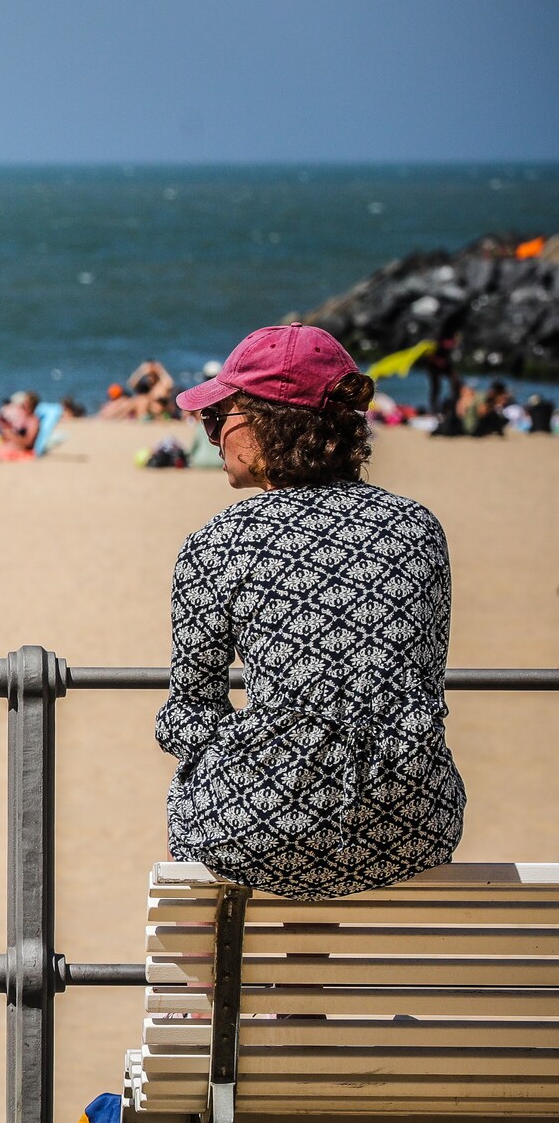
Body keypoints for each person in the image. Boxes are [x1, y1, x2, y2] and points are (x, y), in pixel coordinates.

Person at [159, 325, 465, 898]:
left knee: (202, 789)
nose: (212, 436)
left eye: (218, 418)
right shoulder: (417, 528)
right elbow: (419, 682)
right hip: (415, 827)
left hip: (261, 836)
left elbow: (191, 713)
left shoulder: (221, 542)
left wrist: (254, 750)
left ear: (265, 422)